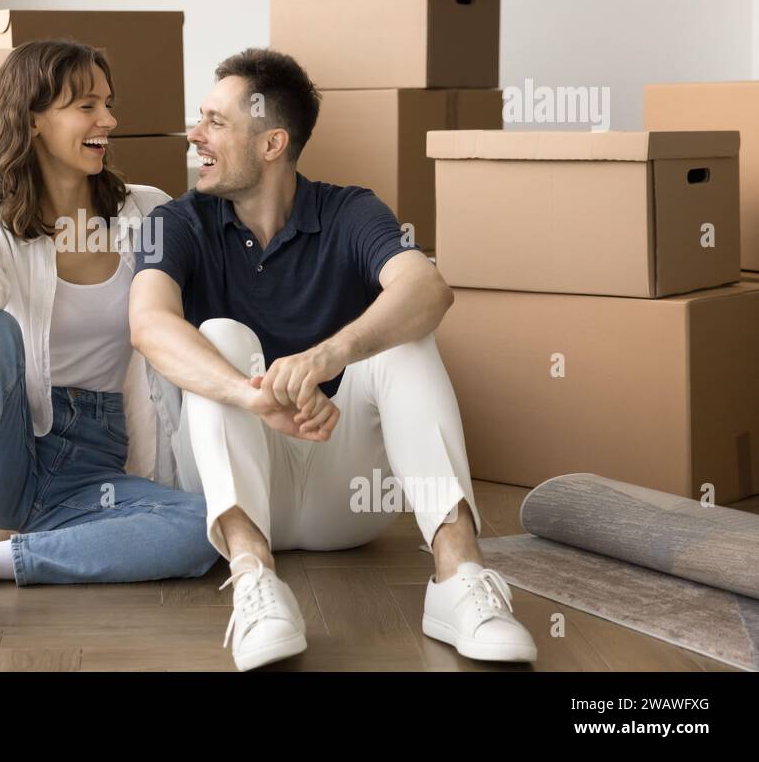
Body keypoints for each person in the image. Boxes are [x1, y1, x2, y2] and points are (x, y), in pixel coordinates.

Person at [129, 47, 539, 671]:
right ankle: (254, 581)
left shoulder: (351, 210)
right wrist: (251, 394)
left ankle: (460, 580)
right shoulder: (177, 221)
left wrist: (329, 355)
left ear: (271, 143)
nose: (194, 134)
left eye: (214, 121)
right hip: (230, 486)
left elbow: (428, 289)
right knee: (217, 333)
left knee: (408, 338)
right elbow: (149, 325)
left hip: (343, 498)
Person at [0, 39, 220, 644]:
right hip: (14, 448)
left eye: (108, 104)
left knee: (203, 530)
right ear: (34, 118)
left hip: (99, 463)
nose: (107, 120)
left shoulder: (146, 213)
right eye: (86, 105)